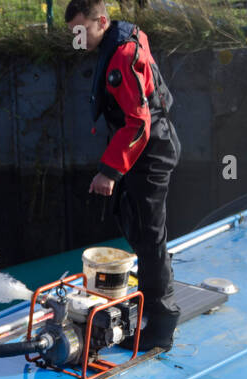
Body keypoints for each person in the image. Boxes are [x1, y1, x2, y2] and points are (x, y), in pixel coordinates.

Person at [66, 0, 181, 350]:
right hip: (143, 149)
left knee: (149, 237)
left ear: (101, 21)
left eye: (81, 30)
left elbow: (138, 122)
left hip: (150, 152)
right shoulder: (122, 37)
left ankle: (161, 329)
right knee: (131, 220)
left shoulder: (121, 56)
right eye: (73, 32)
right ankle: (154, 280)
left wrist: (109, 171)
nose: (77, 38)